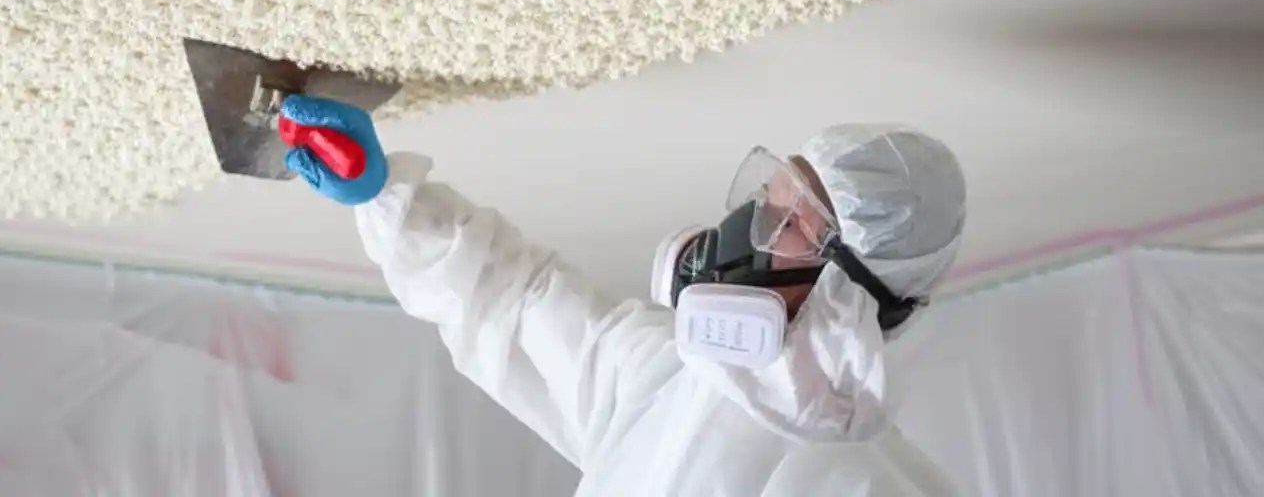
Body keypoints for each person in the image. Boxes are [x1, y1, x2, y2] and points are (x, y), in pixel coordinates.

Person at [281, 95, 967, 496]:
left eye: (791, 222)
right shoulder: (670, 380)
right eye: (767, 195)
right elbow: (518, 299)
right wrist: (388, 199)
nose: (746, 230)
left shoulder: (869, 485)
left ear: (850, 300)